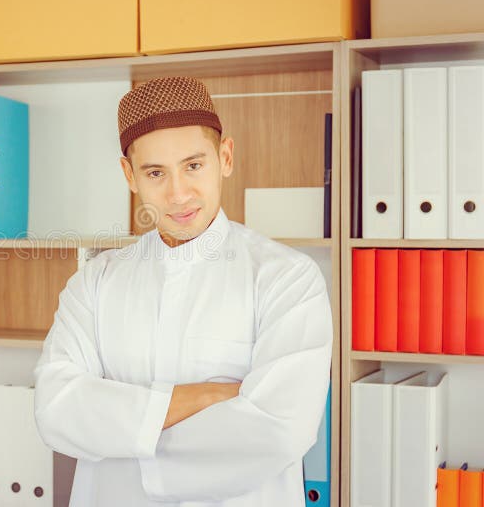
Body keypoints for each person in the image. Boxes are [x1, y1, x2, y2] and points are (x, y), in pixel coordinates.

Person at [33, 76, 333, 507]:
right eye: (156, 172)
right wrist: (209, 395)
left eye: (194, 166)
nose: (178, 194)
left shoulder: (288, 279)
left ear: (225, 157)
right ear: (129, 176)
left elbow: (280, 431)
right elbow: (56, 411)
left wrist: (120, 427)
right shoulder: (94, 283)